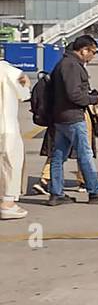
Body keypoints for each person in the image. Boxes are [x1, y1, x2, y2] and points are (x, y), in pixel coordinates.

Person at [48, 35, 98, 205]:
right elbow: (74, 94)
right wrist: (93, 99)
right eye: (92, 52)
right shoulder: (71, 65)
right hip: (72, 117)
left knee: (58, 155)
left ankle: (57, 193)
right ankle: (94, 191)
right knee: (85, 154)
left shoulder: (64, 63)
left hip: (60, 117)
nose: (92, 56)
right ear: (83, 50)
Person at [0, 56, 31, 220]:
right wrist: (26, 84)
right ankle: (8, 203)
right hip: (6, 127)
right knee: (12, 163)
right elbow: (23, 90)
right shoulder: (8, 70)